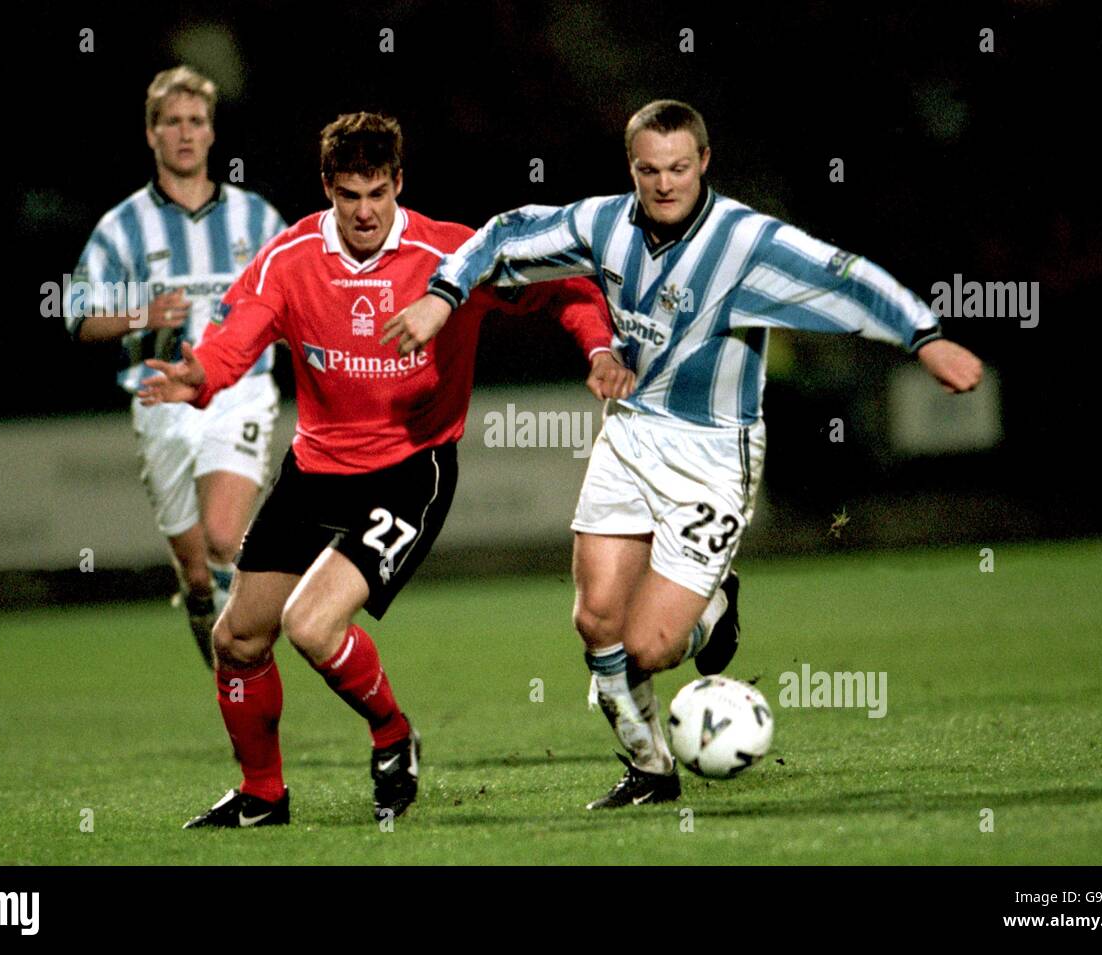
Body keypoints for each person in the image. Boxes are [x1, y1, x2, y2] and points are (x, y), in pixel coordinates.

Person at [382, 99, 984, 809]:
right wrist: (443, 297)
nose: (664, 183)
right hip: (631, 432)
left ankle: (714, 605)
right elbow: (509, 233)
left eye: (677, 168)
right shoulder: (604, 223)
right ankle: (651, 767)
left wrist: (925, 336)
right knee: (595, 620)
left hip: (712, 454)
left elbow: (842, 273)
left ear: (703, 163)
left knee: (651, 647)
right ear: (631, 168)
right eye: (648, 169)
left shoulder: (746, 243)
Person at [138, 112, 625, 826]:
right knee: (237, 639)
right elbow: (235, 337)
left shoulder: (451, 255)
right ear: (327, 189)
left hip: (409, 472)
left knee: (310, 624)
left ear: (399, 183)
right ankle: (262, 795)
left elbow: (568, 289)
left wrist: (597, 350)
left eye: (377, 192)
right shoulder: (290, 257)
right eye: (348, 194)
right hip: (314, 472)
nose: (364, 211)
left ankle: (393, 734)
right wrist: (200, 376)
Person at [66, 65, 286, 668]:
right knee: (196, 570)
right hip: (160, 401)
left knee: (223, 537)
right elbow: (75, 314)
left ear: (213, 133)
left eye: (197, 122)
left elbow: (300, 293)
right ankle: (206, 613)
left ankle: (244, 669)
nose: (186, 134)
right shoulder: (121, 227)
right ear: (151, 134)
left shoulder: (257, 220)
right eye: (172, 123)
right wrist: (141, 313)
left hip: (238, 394)